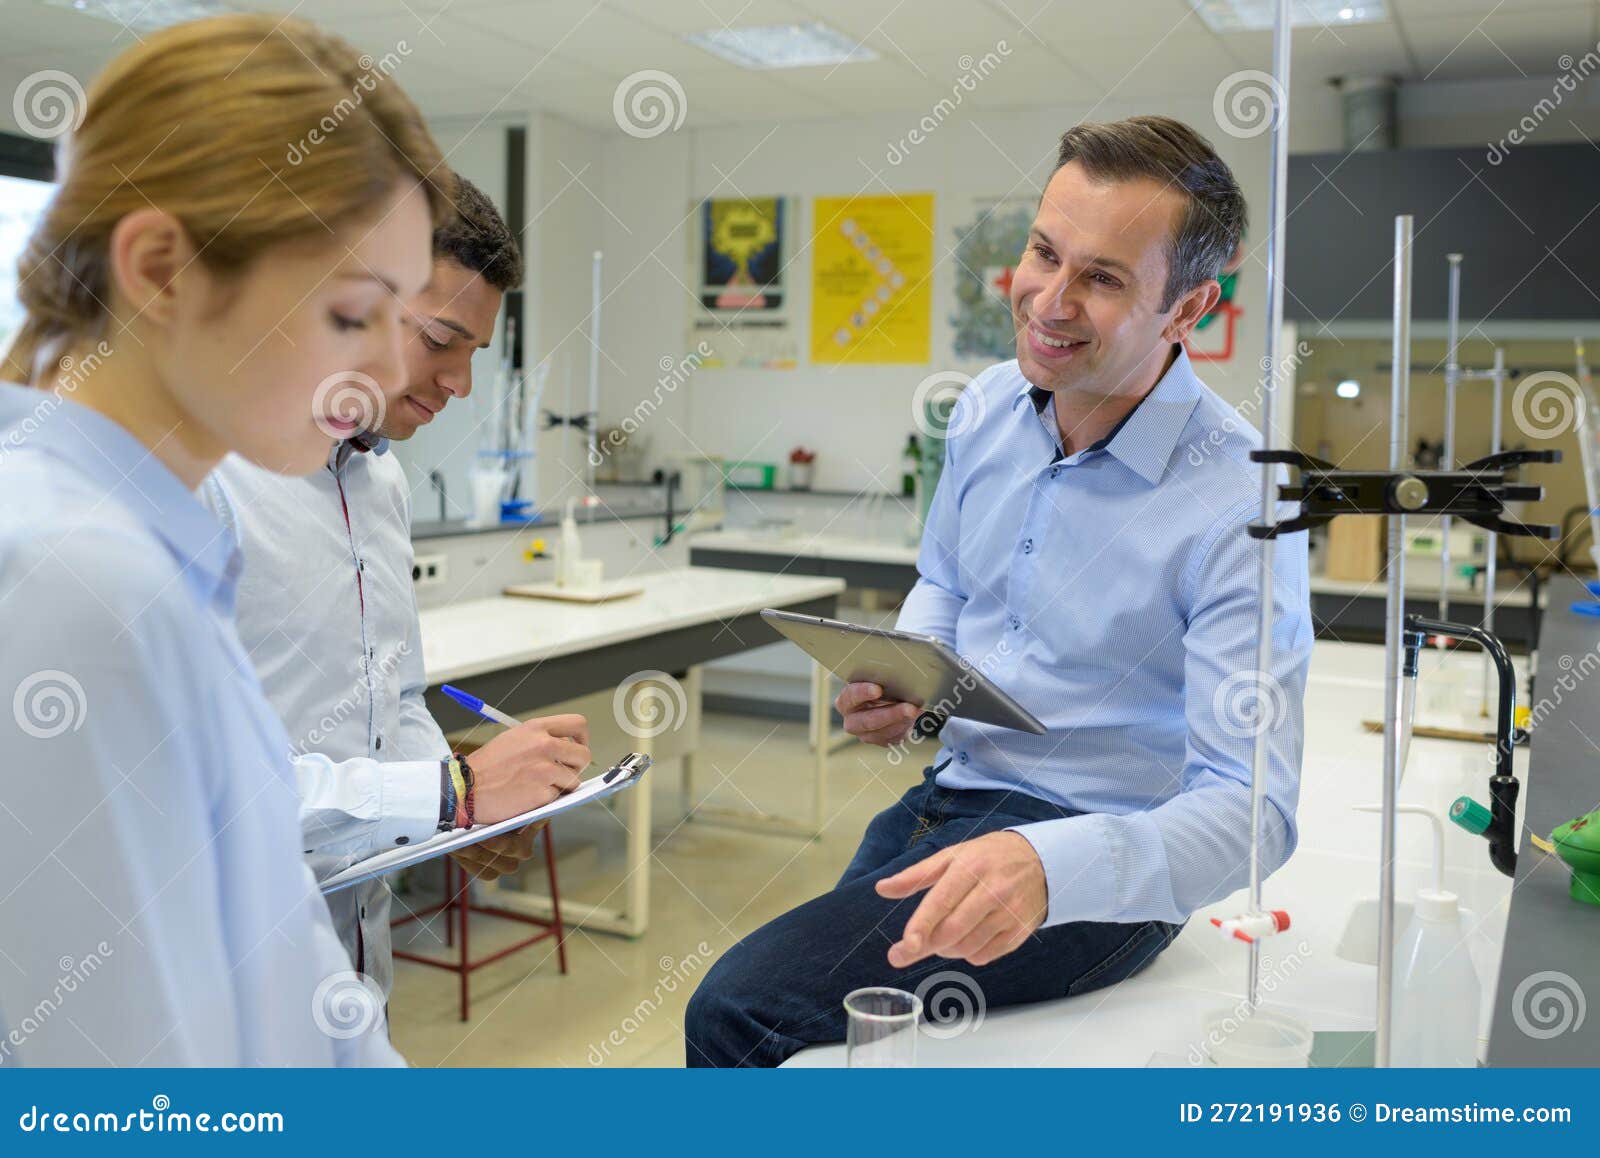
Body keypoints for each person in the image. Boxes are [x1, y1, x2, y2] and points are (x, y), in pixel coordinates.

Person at [685, 116, 1314, 1067]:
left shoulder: (1241, 501)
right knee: (849, 1049)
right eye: (1042, 253)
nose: (1048, 301)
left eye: (1101, 279)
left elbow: (1253, 813)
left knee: (739, 1013)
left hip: (1101, 859)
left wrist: (1052, 871)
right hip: (947, 803)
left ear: (1188, 311)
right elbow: (945, 578)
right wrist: (911, 675)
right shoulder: (983, 409)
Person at [0, 14, 453, 1065]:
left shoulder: (157, 556)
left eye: (404, 320)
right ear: (162, 268)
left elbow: (284, 967)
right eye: (352, 314)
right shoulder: (78, 583)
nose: (388, 374)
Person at [202, 176, 587, 1001]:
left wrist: (455, 818)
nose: (461, 385)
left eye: (475, 355)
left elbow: (397, 701)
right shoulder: (191, 478)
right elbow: (174, 791)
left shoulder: (377, 480)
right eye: (441, 341)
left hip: (352, 970)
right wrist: (449, 794)